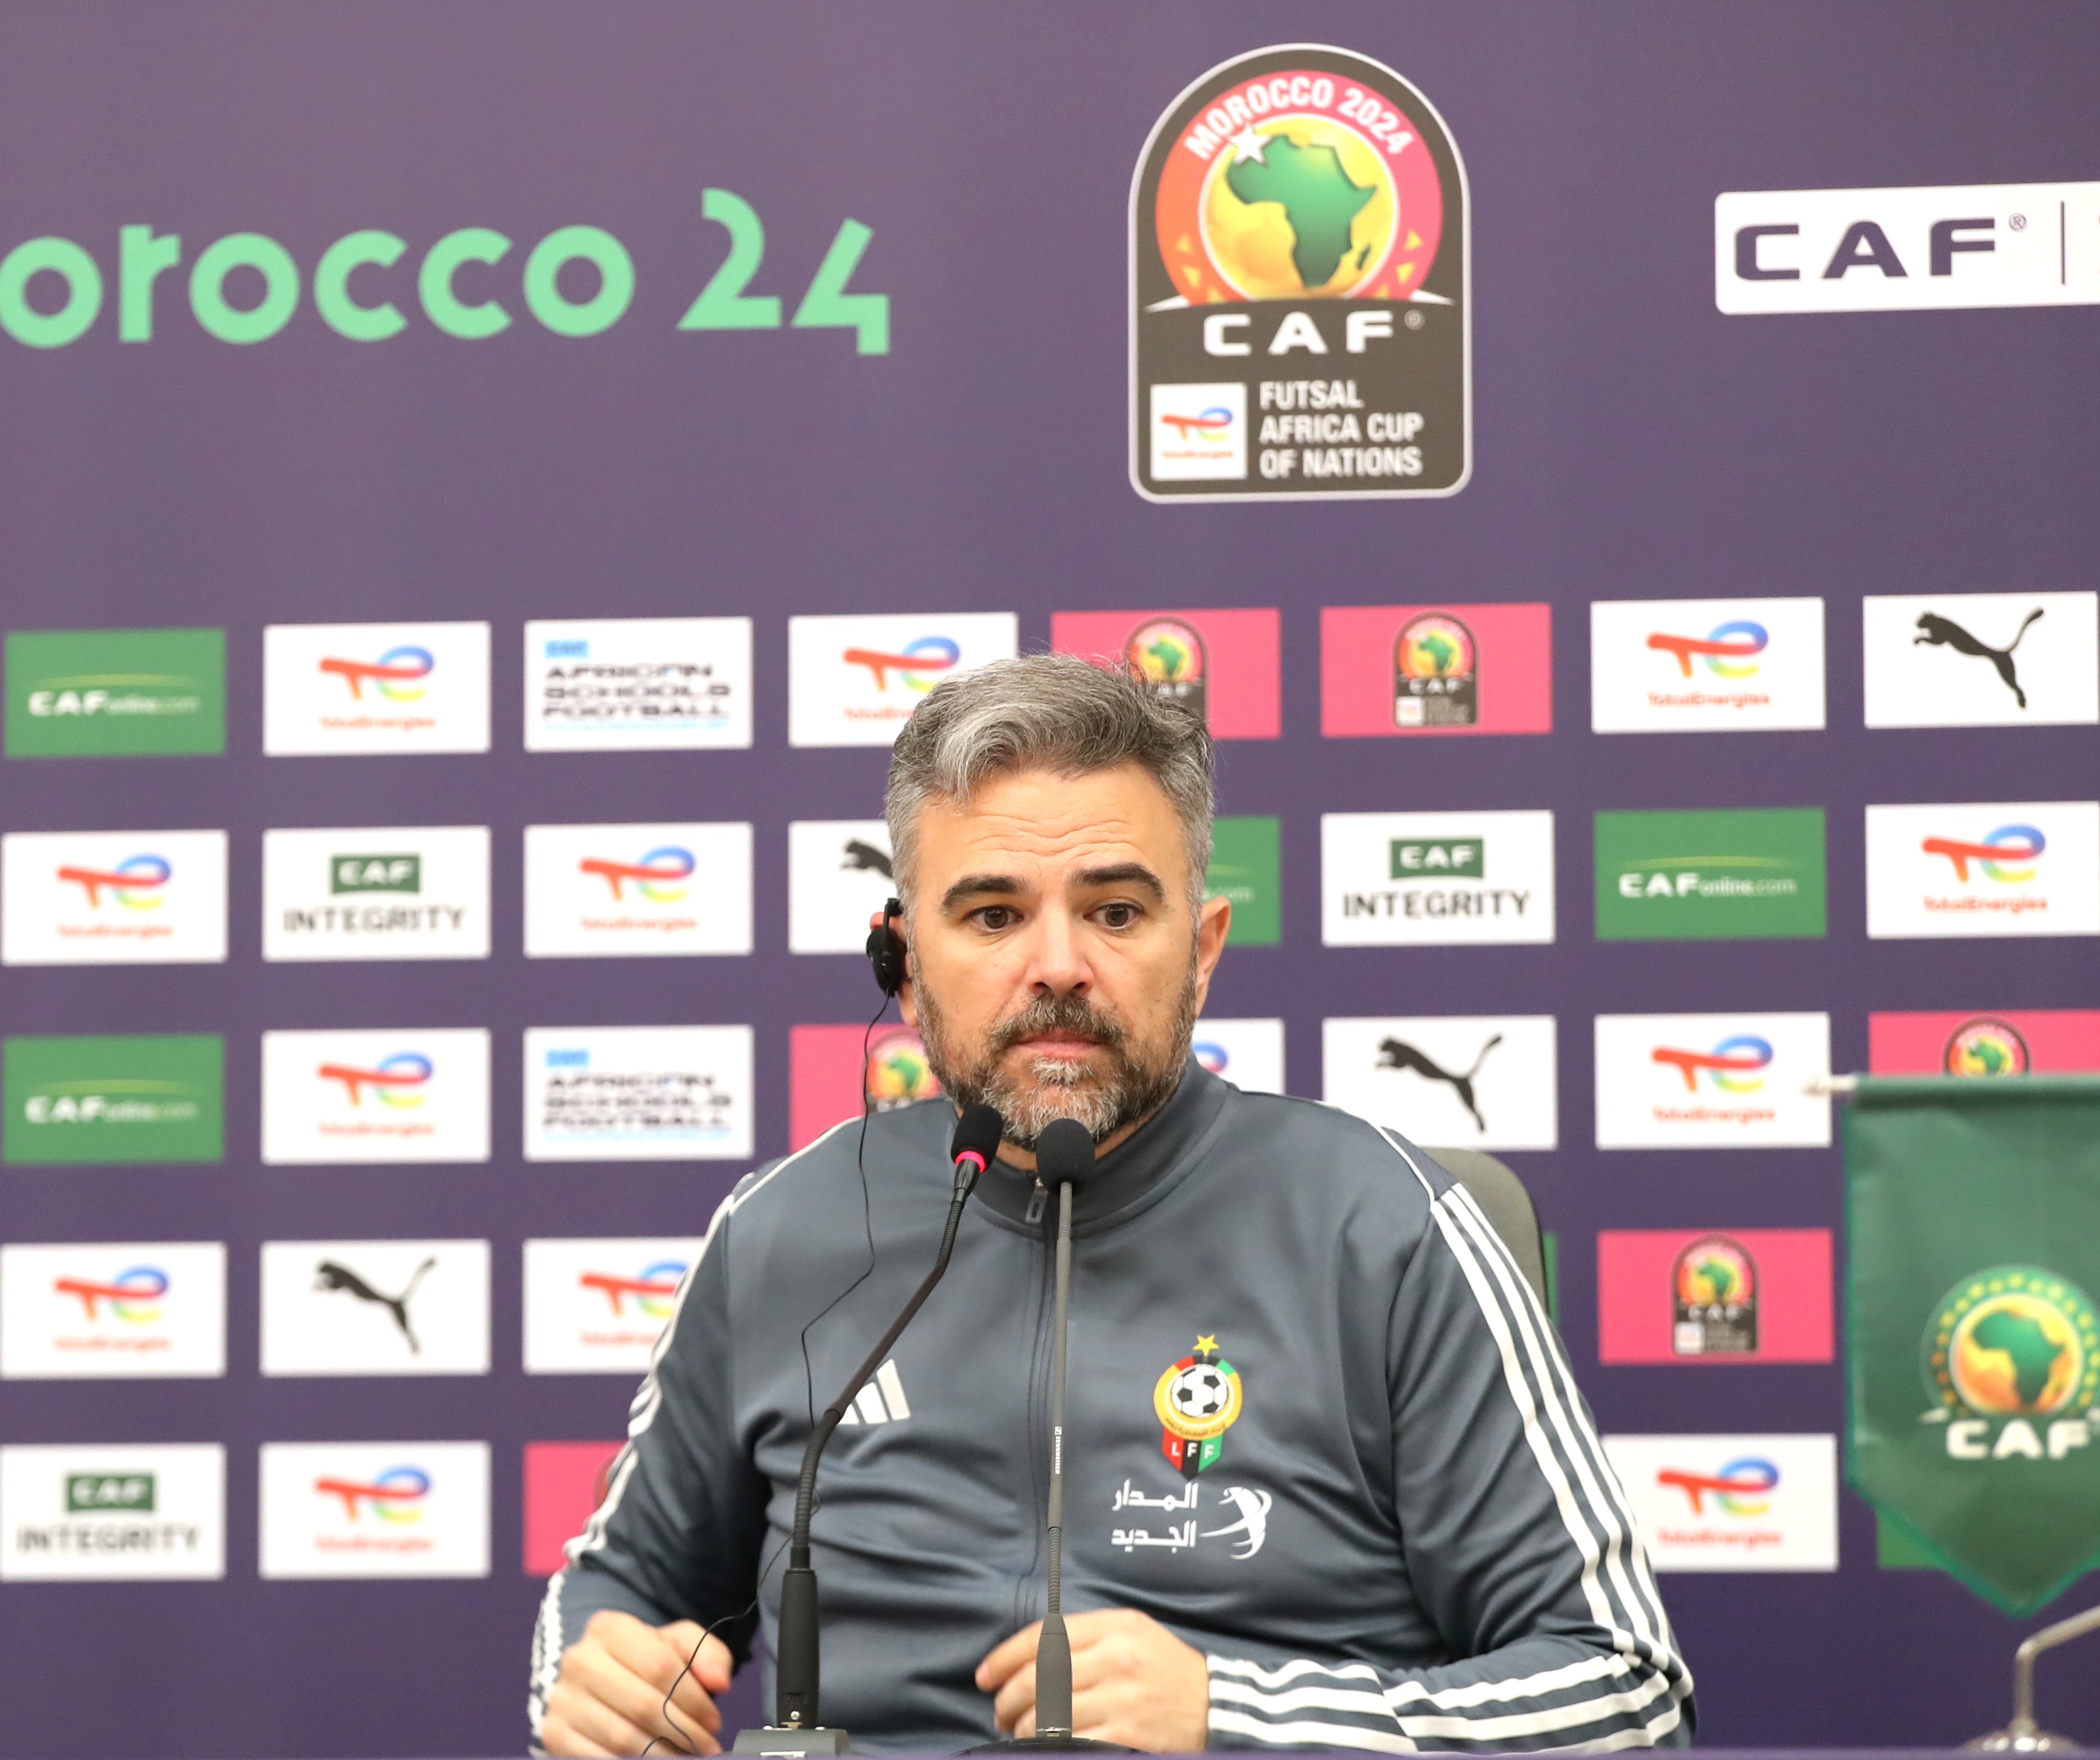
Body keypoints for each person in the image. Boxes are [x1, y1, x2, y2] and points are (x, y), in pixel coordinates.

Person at [529, 652, 1693, 1753]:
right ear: (905, 958)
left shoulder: (1382, 1226)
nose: (1058, 965)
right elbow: (618, 1588)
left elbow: (1628, 1691)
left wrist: (1239, 1712)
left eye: (1118, 911)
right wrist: (596, 1673)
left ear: (1203, 947)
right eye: (991, 915)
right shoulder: (782, 1232)